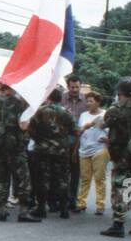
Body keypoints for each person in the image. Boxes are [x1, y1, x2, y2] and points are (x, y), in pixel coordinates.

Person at [98, 79, 131, 237]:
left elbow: (103, 124)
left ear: (121, 93)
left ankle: (118, 224)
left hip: (123, 153)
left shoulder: (116, 109)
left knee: (120, 186)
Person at [0, 81, 39, 223]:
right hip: (15, 145)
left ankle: (1, 209)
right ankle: (23, 212)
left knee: (0, 178)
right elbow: (23, 126)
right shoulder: (17, 103)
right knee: (23, 178)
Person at [29, 88, 76, 219]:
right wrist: (65, 142)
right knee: (62, 179)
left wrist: (39, 140)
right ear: (60, 99)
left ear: (48, 97)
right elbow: (74, 130)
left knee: (42, 179)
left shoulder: (40, 111)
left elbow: (30, 128)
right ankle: (64, 209)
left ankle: (41, 208)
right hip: (61, 150)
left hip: (42, 150)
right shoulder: (66, 112)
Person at [75, 91, 108, 215]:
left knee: (100, 178)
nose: (88, 103)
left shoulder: (105, 114)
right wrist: (86, 127)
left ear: (98, 102)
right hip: (84, 149)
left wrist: (107, 140)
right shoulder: (83, 115)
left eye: (91, 101)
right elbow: (79, 131)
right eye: (87, 101)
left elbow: (110, 130)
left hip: (99, 149)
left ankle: (100, 205)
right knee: (85, 178)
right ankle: (81, 203)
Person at [61, 74, 86, 211]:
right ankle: (61, 199)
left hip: (80, 140)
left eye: (77, 87)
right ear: (68, 86)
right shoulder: (61, 99)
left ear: (80, 86)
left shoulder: (86, 101)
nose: (75, 90)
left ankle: (73, 199)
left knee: (76, 172)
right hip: (63, 139)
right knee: (62, 171)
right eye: (72, 87)